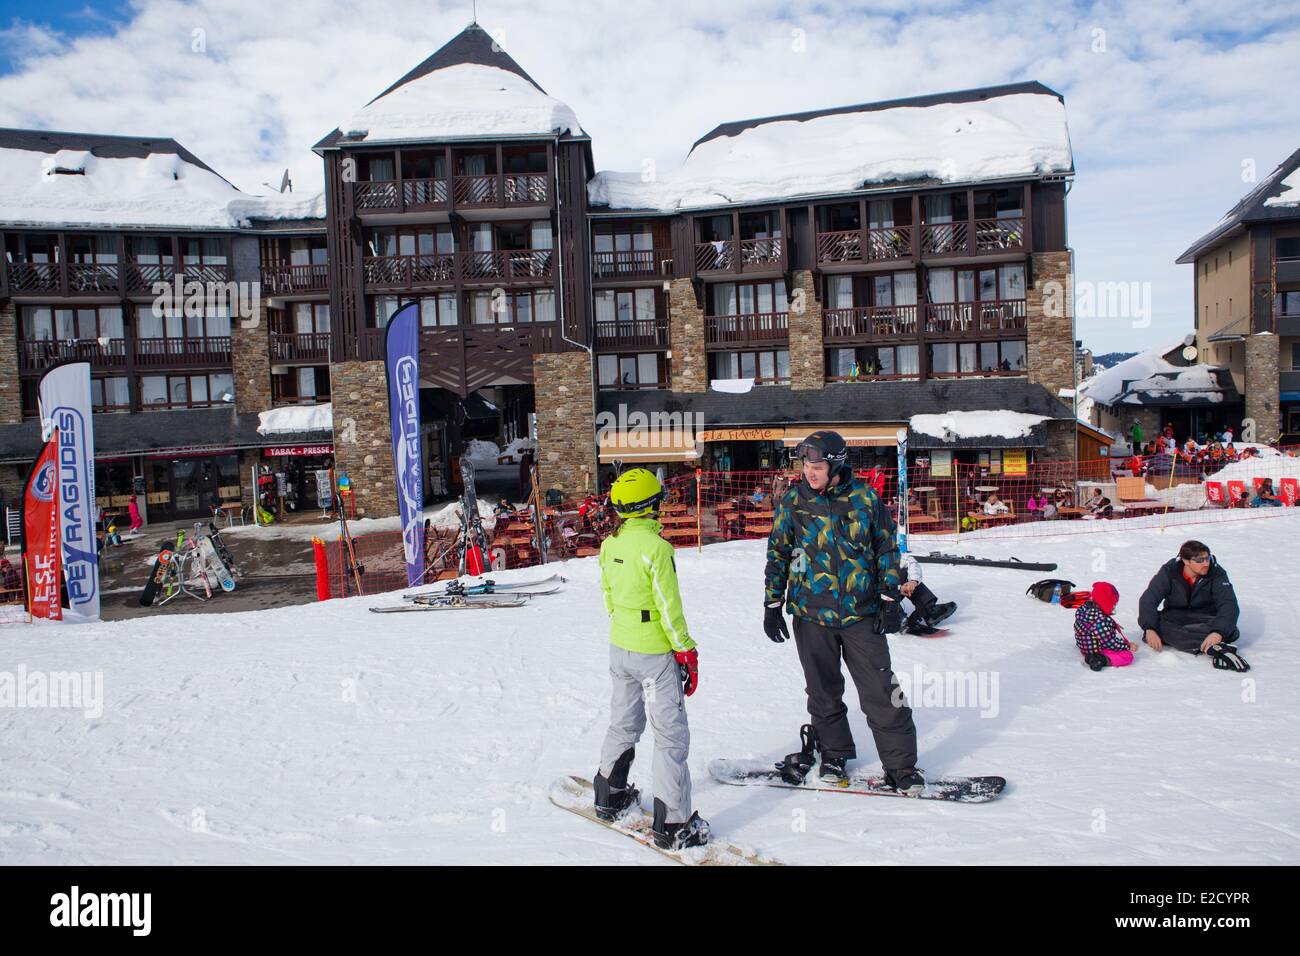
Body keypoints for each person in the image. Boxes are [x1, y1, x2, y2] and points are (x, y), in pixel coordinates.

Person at [762, 430, 923, 794]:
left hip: (861, 614)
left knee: (882, 691)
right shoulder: (793, 502)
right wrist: (772, 604)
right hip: (809, 615)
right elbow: (778, 554)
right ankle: (833, 753)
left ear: (835, 464)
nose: (809, 471)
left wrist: (890, 599)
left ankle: (902, 767)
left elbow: (887, 551)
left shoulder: (865, 499)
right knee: (822, 691)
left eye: (816, 465)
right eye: (805, 464)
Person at [593, 468, 708, 850]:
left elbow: (608, 594)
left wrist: (626, 627)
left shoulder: (612, 544)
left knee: (623, 722)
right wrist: (685, 651)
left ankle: (608, 793)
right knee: (670, 736)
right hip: (654, 656)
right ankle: (674, 823)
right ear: (650, 505)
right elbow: (668, 607)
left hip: (620, 646)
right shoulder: (656, 548)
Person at [1137, 539, 1249, 671]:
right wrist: (1150, 628)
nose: (1206, 563)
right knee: (1154, 628)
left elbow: (1229, 605)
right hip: (1175, 618)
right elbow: (1149, 599)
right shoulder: (1170, 571)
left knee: (1230, 630)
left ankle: (1213, 641)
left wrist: (1218, 632)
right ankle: (1213, 647)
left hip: (1205, 619)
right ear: (1186, 561)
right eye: (1199, 560)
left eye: (1207, 558)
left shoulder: (1217, 573)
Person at [1074, 581, 1136, 670]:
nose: (1114, 607)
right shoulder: (1099, 621)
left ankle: (1093, 656)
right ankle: (1099, 659)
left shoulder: (1085, 610)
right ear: (1105, 604)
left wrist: (1111, 624)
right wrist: (1127, 645)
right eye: (1113, 604)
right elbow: (1110, 643)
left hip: (1084, 644)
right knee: (1127, 656)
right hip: (1094, 650)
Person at [898, 552, 957, 636]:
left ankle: (929, 610)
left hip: (895, 588)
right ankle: (897, 619)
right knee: (884, 585)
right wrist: (899, 588)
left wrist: (913, 581)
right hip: (879, 595)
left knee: (905, 573)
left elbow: (909, 561)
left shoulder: (886, 550)